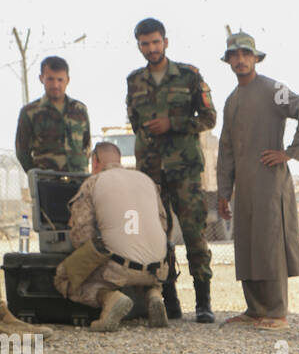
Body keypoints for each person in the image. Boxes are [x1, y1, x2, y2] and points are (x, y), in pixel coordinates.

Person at [216, 31, 299, 331]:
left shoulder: (273, 89)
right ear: (228, 60)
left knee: (270, 244)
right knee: (247, 243)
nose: (240, 60)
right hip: (243, 186)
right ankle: (255, 309)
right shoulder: (232, 100)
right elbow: (226, 148)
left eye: (246, 54)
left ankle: (276, 312)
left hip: (270, 181)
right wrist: (224, 191)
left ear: (256, 58)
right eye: (234, 55)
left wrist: (291, 153)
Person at [126, 17, 217, 322]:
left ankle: (203, 303)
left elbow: (209, 118)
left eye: (156, 42)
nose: (151, 48)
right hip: (151, 174)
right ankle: (170, 301)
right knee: (158, 238)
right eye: (145, 44)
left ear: (165, 42)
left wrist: (173, 124)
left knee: (194, 235)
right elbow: (136, 123)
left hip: (185, 171)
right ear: (139, 46)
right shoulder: (134, 81)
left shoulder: (189, 76)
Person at [53, 141, 169, 332]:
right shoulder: (146, 180)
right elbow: (163, 225)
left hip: (120, 269)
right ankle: (154, 295)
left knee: (65, 277)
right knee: (140, 258)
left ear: (95, 161)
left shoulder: (93, 183)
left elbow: (82, 237)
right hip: (156, 269)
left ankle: (109, 298)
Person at [15, 56, 91, 176]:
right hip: (47, 180)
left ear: (67, 80)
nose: (55, 85)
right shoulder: (30, 112)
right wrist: (37, 175)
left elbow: (86, 143)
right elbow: (22, 152)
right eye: (50, 79)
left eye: (60, 80)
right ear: (41, 78)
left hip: (78, 178)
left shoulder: (80, 109)